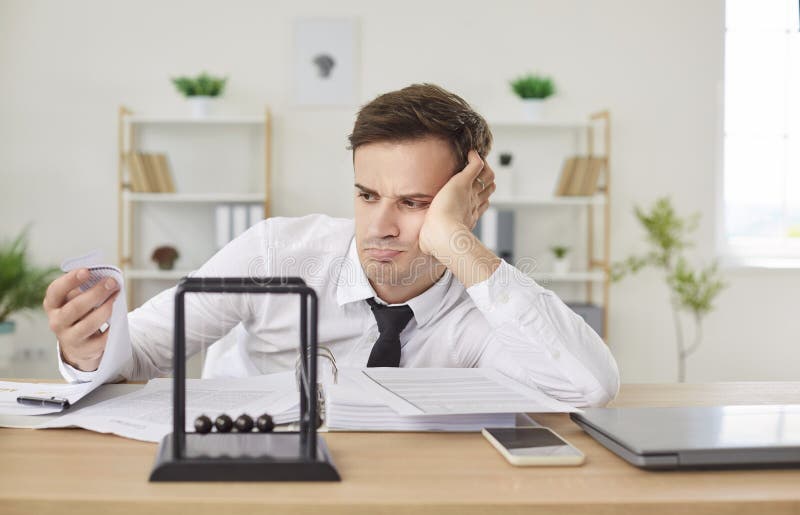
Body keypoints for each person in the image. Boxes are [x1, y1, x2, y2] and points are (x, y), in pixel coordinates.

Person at [43, 83, 619, 407]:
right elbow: (142, 348)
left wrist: (455, 243)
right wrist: (88, 349)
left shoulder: (482, 305)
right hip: (247, 469)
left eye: (415, 203)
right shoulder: (274, 255)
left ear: (468, 200)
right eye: (367, 195)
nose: (379, 227)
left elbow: (586, 387)